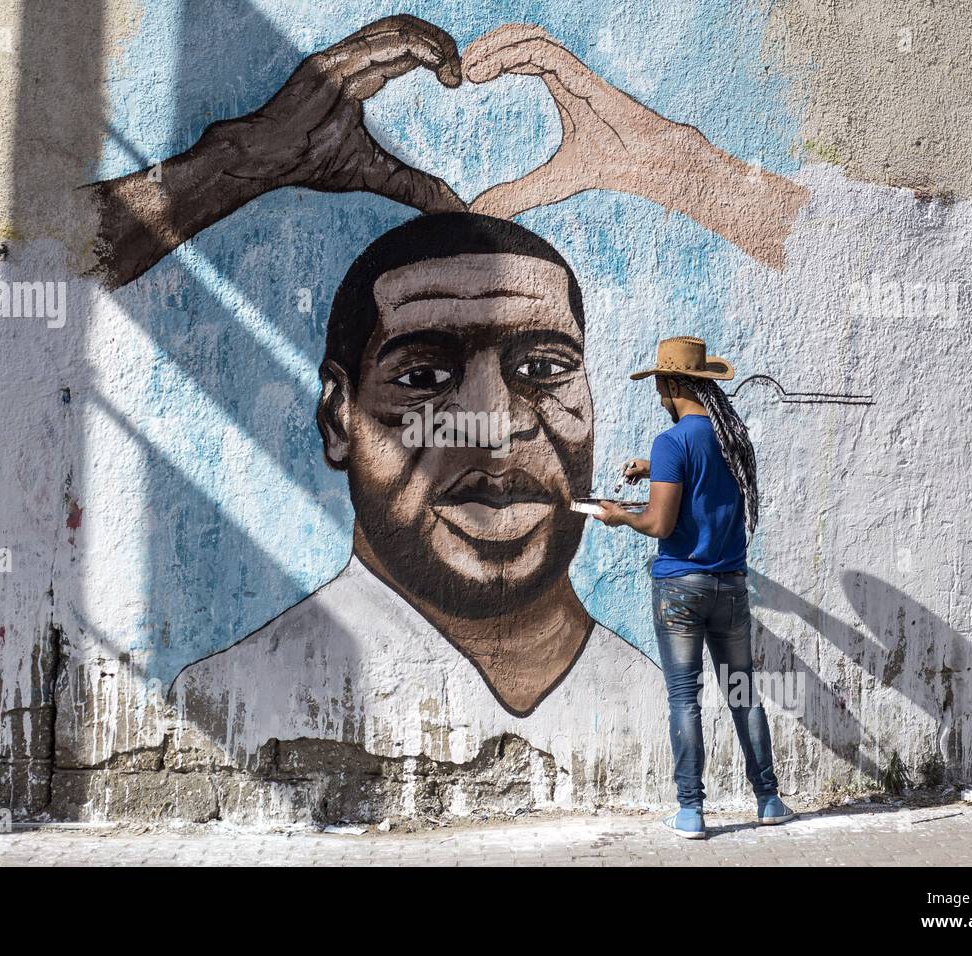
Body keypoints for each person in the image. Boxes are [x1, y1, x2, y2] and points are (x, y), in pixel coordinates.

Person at [168, 213, 674, 812]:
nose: (494, 430)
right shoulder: (233, 703)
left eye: (542, 369)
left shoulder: (647, 692)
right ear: (339, 419)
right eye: (424, 376)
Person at [591, 335, 796, 838]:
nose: (658, 392)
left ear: (672, 383)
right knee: (742, 693)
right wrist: (651, 467)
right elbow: (703, 482)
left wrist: (620, 516)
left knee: (684, 698)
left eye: (660, 382)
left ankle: (691, 811)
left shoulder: (673, 442)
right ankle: (768, 801)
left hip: (680, 587)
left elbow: (661, 524)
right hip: (730, 585)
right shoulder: (731, 438)